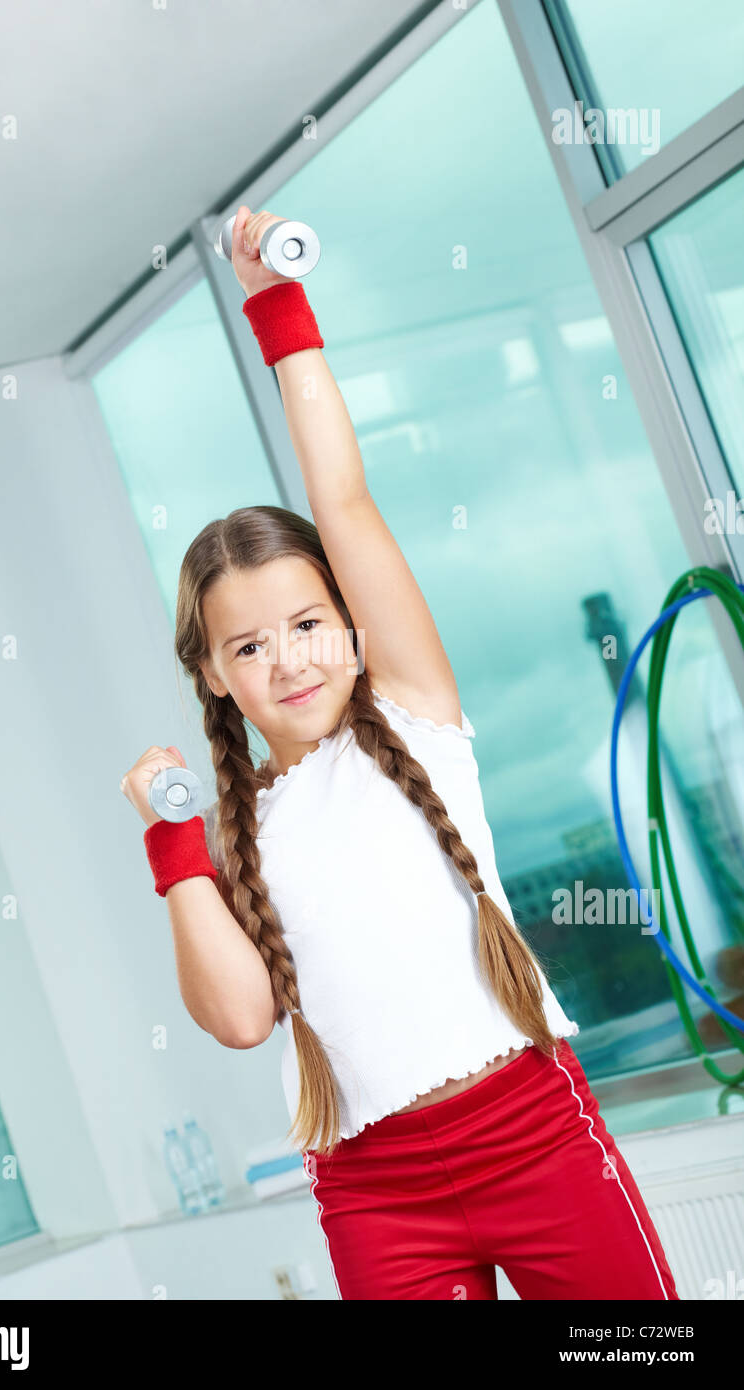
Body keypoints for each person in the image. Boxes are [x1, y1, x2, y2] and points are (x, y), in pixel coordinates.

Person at [120, 206, 679, 1302]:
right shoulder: (244, 834)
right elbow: (239, 1019)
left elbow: (342, 496)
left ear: (350, 622)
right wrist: (173, 844)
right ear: (213, 676)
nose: (286, 660)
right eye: (247, 645)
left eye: (306, 622)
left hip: (532, 1132)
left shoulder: (415, 714)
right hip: (374, 1190)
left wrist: (275, 304)